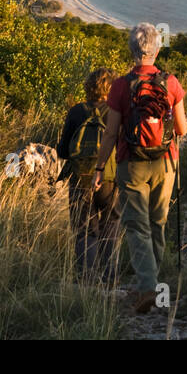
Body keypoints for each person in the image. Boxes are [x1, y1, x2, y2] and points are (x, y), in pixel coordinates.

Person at [93, 23, 187, 313]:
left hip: (131, 163)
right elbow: (183, 129)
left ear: (132, 51)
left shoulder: (121, 85)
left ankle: (147, 287)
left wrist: (100, 168)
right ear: (157, 49)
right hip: (165, 161)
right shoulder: (170, 82)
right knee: (157, 222)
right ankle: (153, 285)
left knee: (136, 225)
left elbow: (110, 133)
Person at [57, 68, 121, 284]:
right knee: (111, 225)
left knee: (84, 229)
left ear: (88, 86)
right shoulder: (117, 112)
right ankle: (109, 278)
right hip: (110, 178)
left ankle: (86, 280)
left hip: (80, 178)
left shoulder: (76, 112)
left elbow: (63, 152)